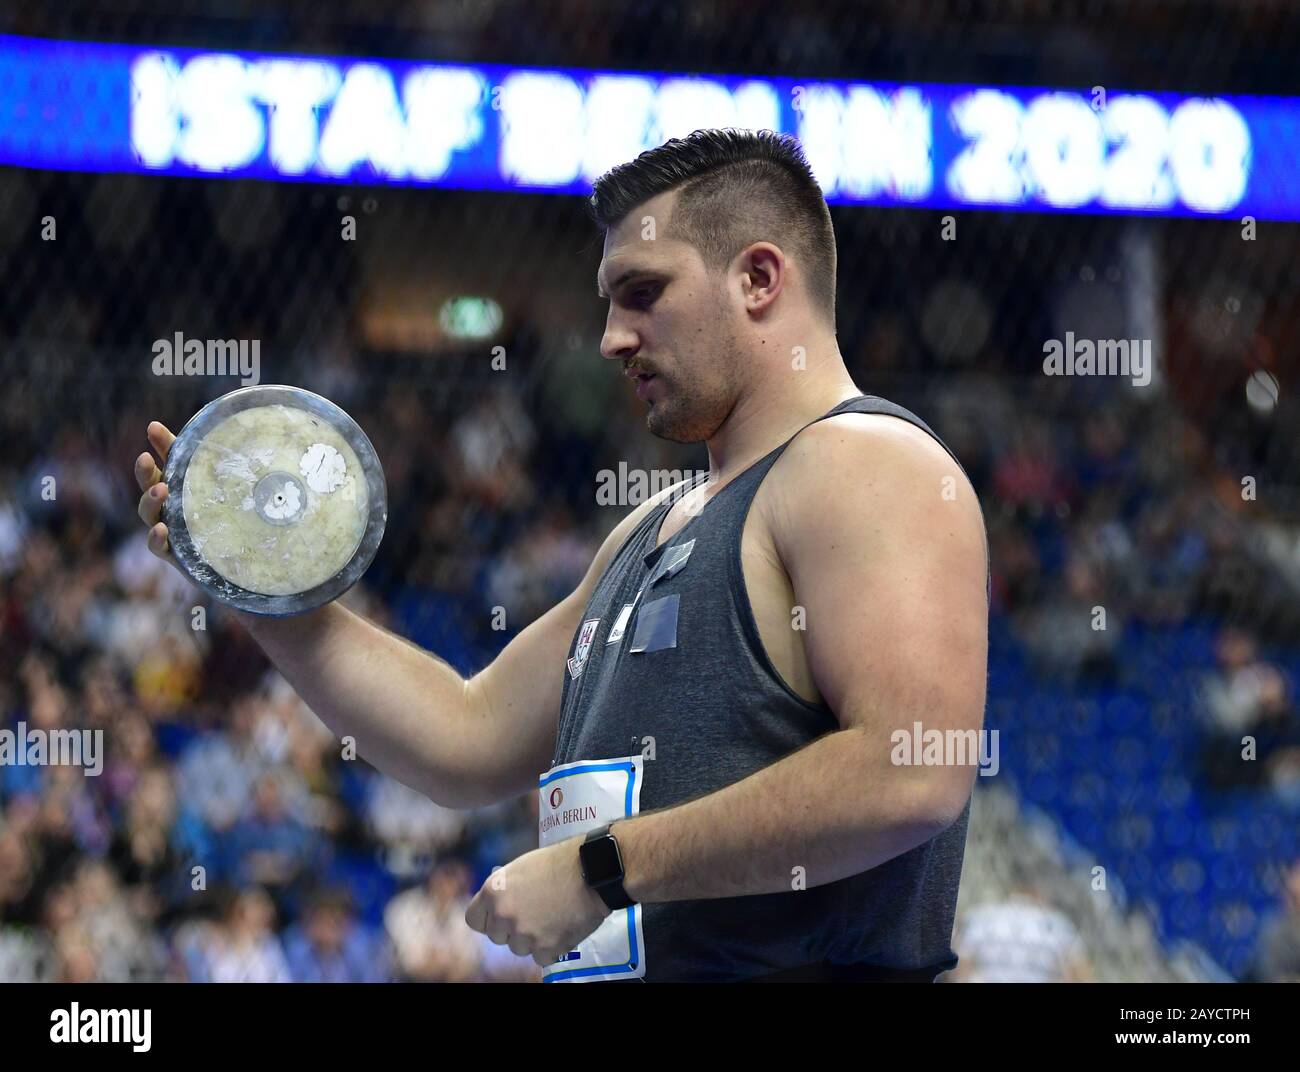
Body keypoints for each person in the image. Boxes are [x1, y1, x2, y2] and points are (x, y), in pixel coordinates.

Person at [135, 128, 988, 982]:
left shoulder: (870, 464)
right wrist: (263, 588)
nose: (614, 337)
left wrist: (601, 867)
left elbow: (908, 771)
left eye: (644, 292)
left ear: (759, 279)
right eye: (611, 302)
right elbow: (464, 739)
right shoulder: (650, 528)